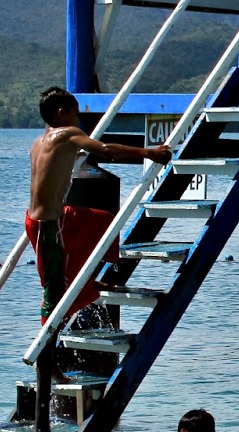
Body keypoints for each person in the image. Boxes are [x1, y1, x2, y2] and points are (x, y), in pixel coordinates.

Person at [28, 88, 171, 324]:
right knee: (54, 293)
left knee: (103, 221)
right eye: (75, 115)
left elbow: (53, 166)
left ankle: (89, 280)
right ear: (62, 114)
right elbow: (105, 151)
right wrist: (149, 153)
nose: (77, 120)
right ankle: (46, 352)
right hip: (48, 226)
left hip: (54, 217)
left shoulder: (39, 143)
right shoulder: (67, 133)